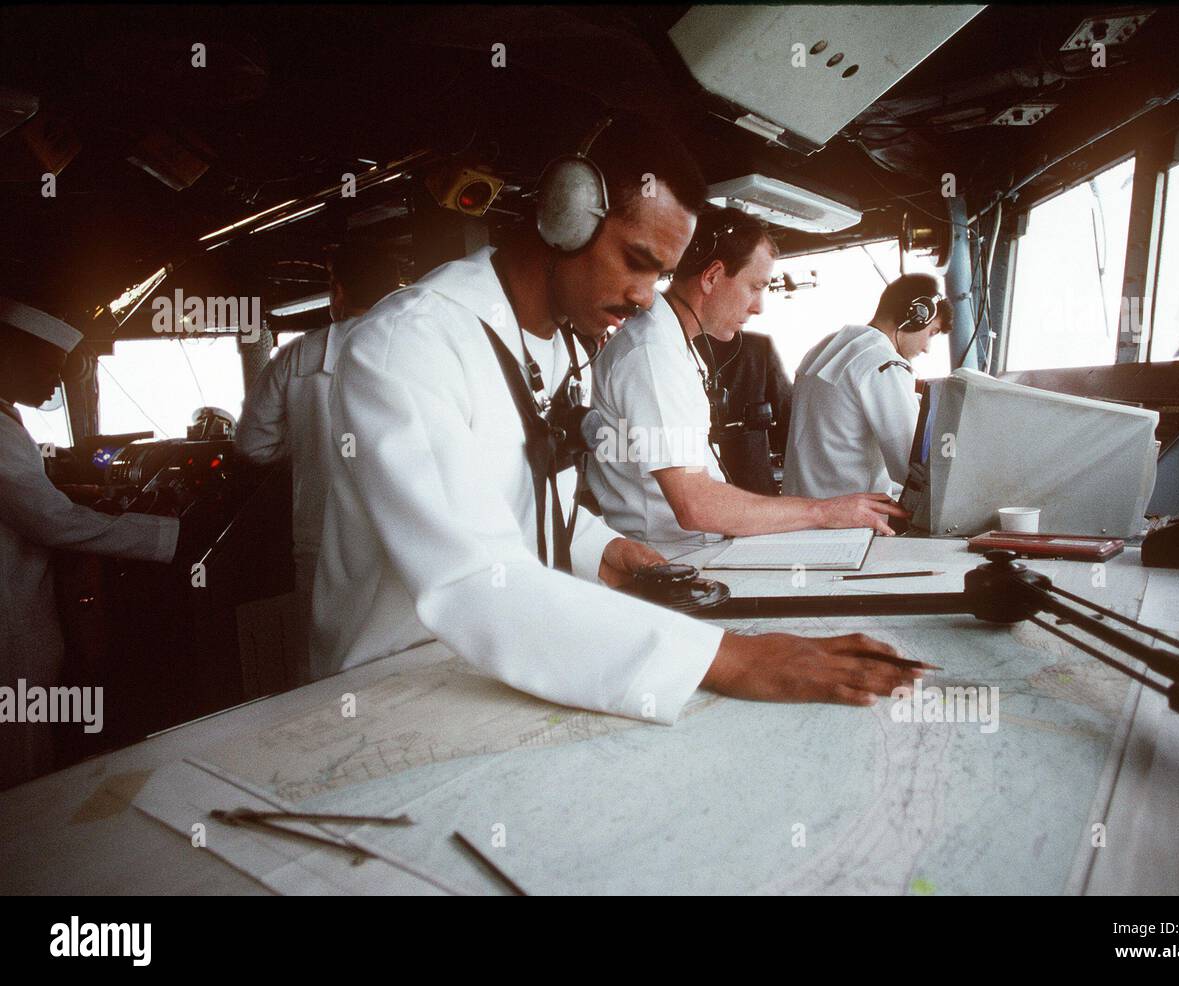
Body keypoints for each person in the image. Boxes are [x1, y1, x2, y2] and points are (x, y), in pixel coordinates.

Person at [310, 115, 921, 721]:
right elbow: (473, 577)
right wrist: (731, 659)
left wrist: (603, 548)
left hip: (508, 658)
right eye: (636, 260)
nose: (646, 296)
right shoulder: (407, 345)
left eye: (659, 273)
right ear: (564, 220)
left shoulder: (553, 345)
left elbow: (522, 502)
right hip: (395, 687)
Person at [587, 206, 907, 544]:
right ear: (711, 277)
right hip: (672, 561)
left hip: (694, 550)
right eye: (755, 286)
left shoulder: (675, 346)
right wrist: (825, 511)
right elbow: (695, 505)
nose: (759, 306)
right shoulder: (652, 354)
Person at [0, 297, 179, 788]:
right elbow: (53, 523)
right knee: (20, 748)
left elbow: (25, 496)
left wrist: (67, 493)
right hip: (11, 624)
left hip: (20, 611)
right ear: (10, 354)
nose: (55, 383)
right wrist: (168, 535)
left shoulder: (6, 417)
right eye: (48, 367)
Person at [236, 242, 401, 682]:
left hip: (319, 535)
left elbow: (252, 444)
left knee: (323, 662)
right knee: (404, 660)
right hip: (402, 534)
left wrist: (309, 444)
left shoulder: (295, 358)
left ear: (337, 291)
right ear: (396, 292)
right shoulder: (414, 348)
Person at [784, 273, 953, 501]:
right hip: (847, 524)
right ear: (915, 316)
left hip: (800, 511)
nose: (927, 348)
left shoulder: (824, 349)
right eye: (931, 333)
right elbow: (915, 467)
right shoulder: (883, 363)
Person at [691, 329, 792, 495]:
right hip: (752, 487)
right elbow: (788, 422)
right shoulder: (758, 347)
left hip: (698, 485)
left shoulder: (674, 347)